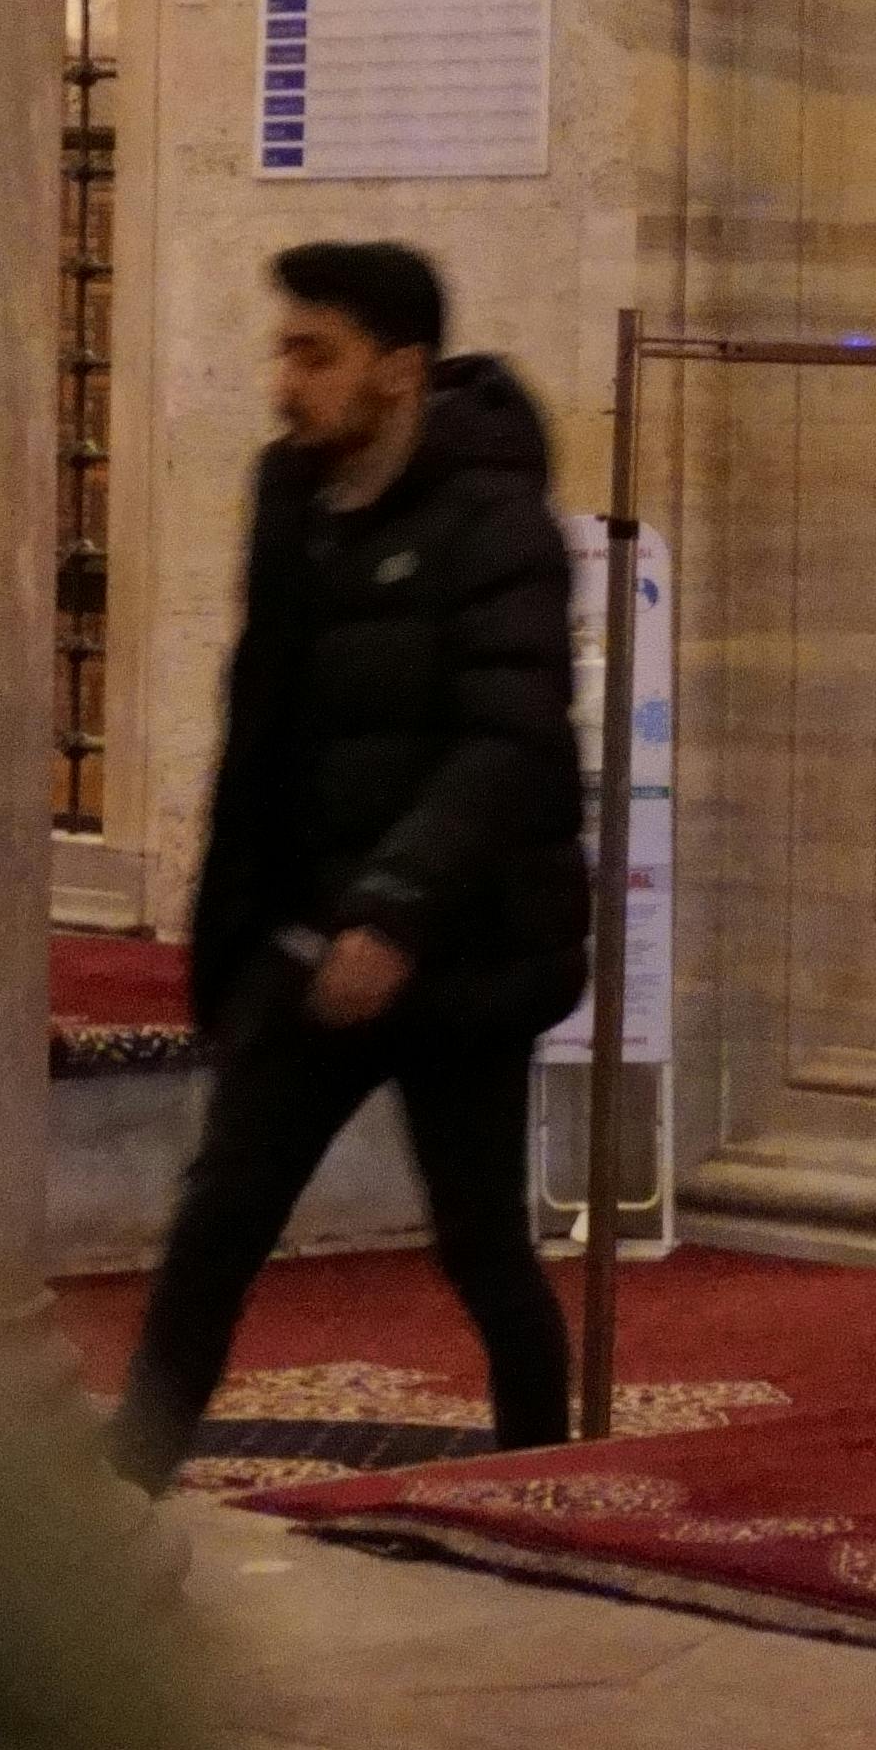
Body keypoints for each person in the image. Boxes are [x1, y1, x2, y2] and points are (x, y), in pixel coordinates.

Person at [108, 242, 591, 1489]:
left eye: (315, 353)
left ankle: (539, 1486)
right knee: (217, 1222)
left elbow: (509, 743)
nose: (286, 380)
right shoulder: (292, 497)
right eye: (284, 347)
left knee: (482, 1242)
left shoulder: (499, 524)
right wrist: (245, 930)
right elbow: (265, 722)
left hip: (459, 947)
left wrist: (399, 911)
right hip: (315, 941)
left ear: (401, 371)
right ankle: (122, 1493)